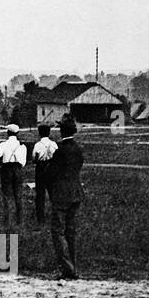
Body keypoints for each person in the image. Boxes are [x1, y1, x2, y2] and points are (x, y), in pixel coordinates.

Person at [45, 115, 85, 279]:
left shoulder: (60, 150)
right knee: (71, 231)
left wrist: (51, 187)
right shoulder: (78, 149)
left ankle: (67, 268)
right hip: (75, 193)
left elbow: (50, 173)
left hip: (61, 194)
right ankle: (73, 266)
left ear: (62, 131)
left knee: (58, 231)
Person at [0, 124, 27, 225]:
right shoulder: (22, 146)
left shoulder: (3, 145)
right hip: (17, 169)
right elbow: (23, 162)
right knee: (18, 195)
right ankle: (19, 220)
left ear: (8, 133)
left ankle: (7, 220)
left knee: (7, 195)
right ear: (17, 133)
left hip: (6, 169)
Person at [31, 123, 56, 224]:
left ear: (39, 133)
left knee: (40, 194)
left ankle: (40, 217)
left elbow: (34, 159)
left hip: (40, 168)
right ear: (49, 133)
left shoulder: (37, 145)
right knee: (52, 192)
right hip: (51, 167)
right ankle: (55, 215)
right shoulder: (54, 144)